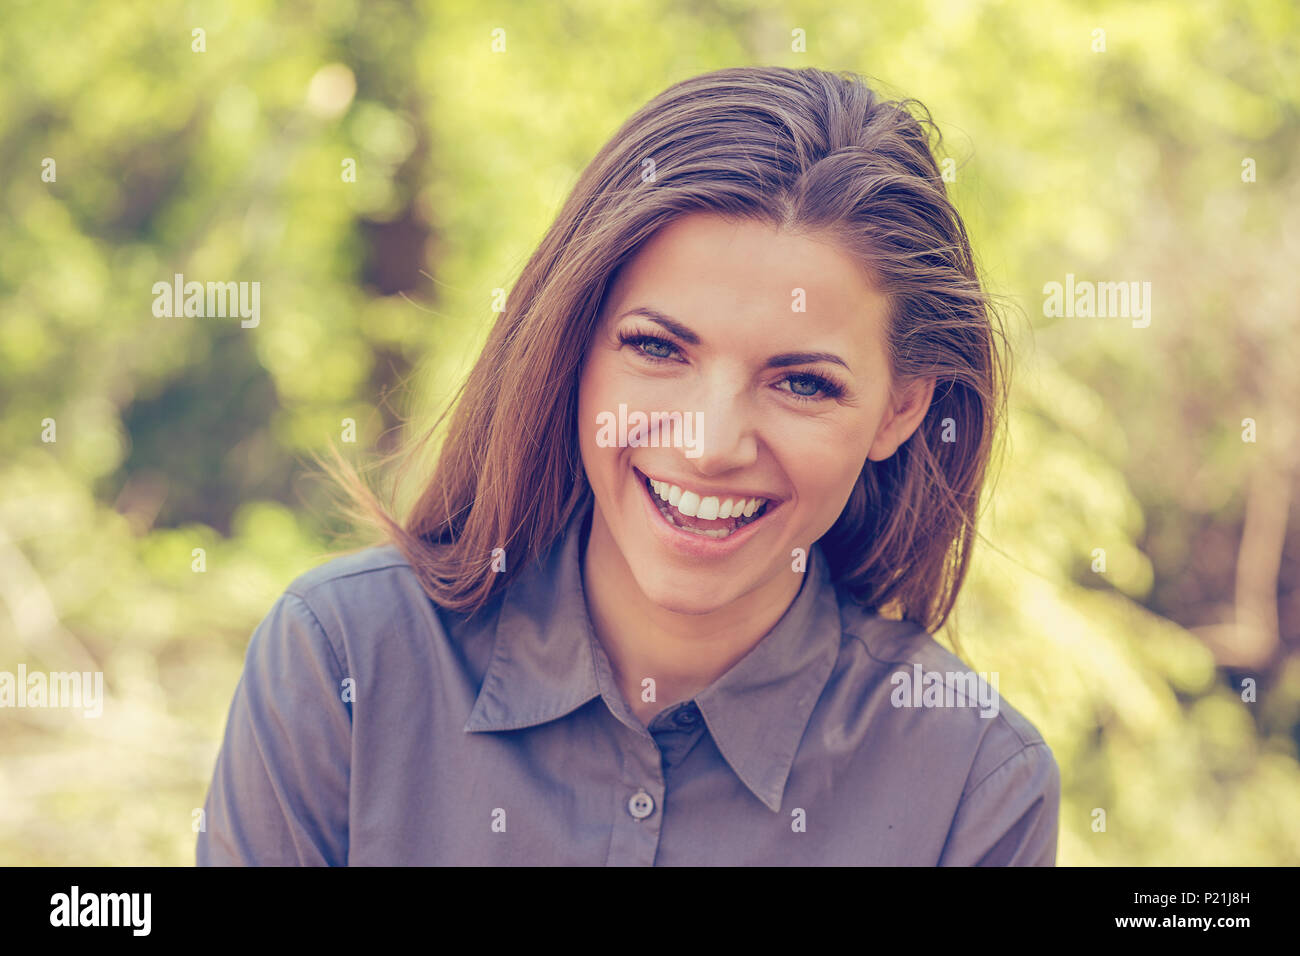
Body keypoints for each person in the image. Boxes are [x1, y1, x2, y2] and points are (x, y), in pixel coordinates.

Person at [197, 65, 1059, 866]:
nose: (709, 445)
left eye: (803, 383)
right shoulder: (343, 661)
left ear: (901, 409)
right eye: (656, 347)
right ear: (573, 342)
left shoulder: (977, 789)